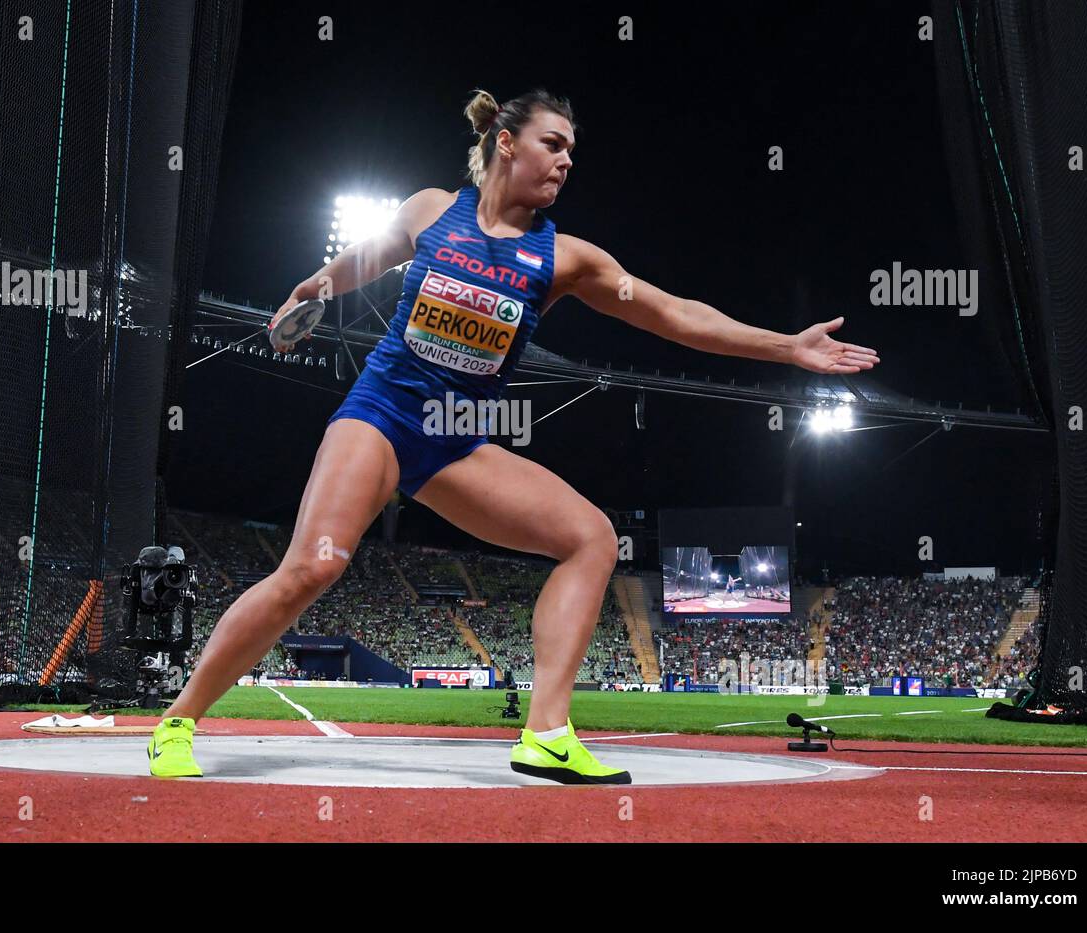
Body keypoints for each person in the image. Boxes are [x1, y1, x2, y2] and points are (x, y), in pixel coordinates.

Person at [148, 87, 878, 783]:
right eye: (552, 144)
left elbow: (675, 313)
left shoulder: (566, 259)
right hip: (381, 418)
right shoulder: (432, 211)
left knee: (591, 538)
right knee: (312, 569)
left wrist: (786, 347)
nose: (566, 161)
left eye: (571, 152)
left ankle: (547, 735)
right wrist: (315, 288)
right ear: (505, 143)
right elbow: (363, 259)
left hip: (455, 443)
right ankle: (177, 722)